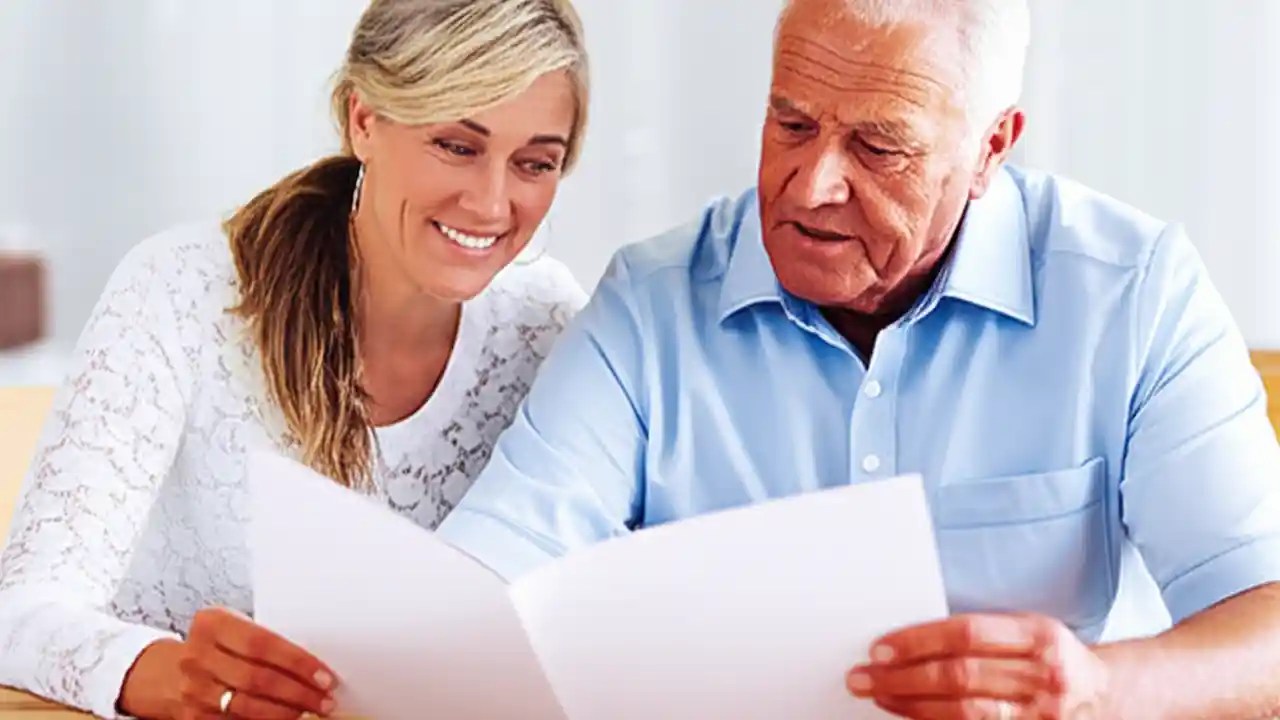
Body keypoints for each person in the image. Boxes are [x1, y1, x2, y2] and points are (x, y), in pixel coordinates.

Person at [438, 0, 1280, 717]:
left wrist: (1101, 689)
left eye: (879, 148)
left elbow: (1268, 628)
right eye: (790, 123)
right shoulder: (649, 305)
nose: (809, 187)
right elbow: (490, 578)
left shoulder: (1133, 296)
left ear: (992, 148)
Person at [0, 1, 589, 718]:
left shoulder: (546, 322)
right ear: (363, 119)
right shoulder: (183, 290)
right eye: (456, 146)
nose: (493, 204)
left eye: (535, 163)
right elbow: (22, 612)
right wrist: (168, 672)